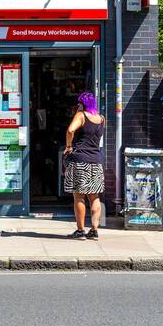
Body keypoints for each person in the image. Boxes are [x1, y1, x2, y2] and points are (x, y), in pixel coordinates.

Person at [63, 91, 105, 239]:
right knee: (94, 197)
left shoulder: (81, 115)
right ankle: (94, 230)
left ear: (82, 104)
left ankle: (80, 230)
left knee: (79, 196)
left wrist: (68, 146)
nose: (78, 106)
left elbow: (70, 130)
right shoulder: (101, 119)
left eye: (79, 103)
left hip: (80, 160)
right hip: (96, 160)